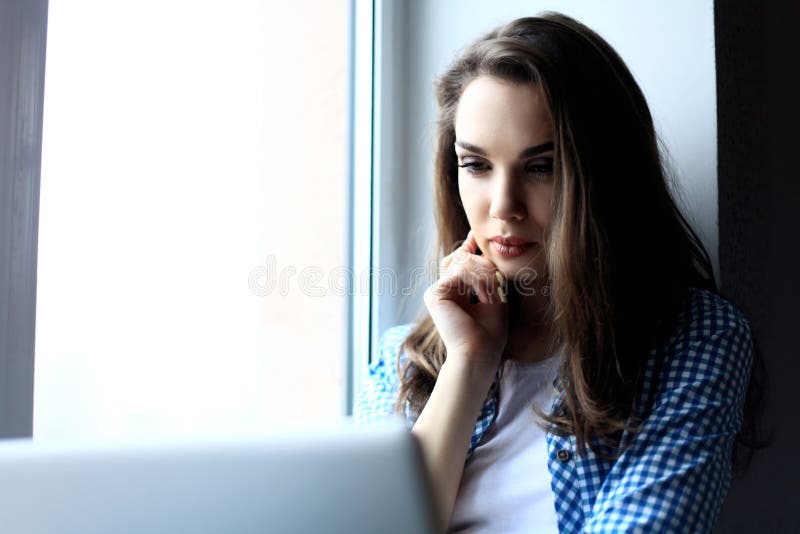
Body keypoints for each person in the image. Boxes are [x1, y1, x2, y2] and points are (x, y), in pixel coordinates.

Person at [354, 11, 770, 534]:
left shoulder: (694, 340)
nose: (503, 205)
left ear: (605, 174)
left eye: (541, 166)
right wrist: (468, 364)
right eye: (476, 165)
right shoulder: (400, 366)